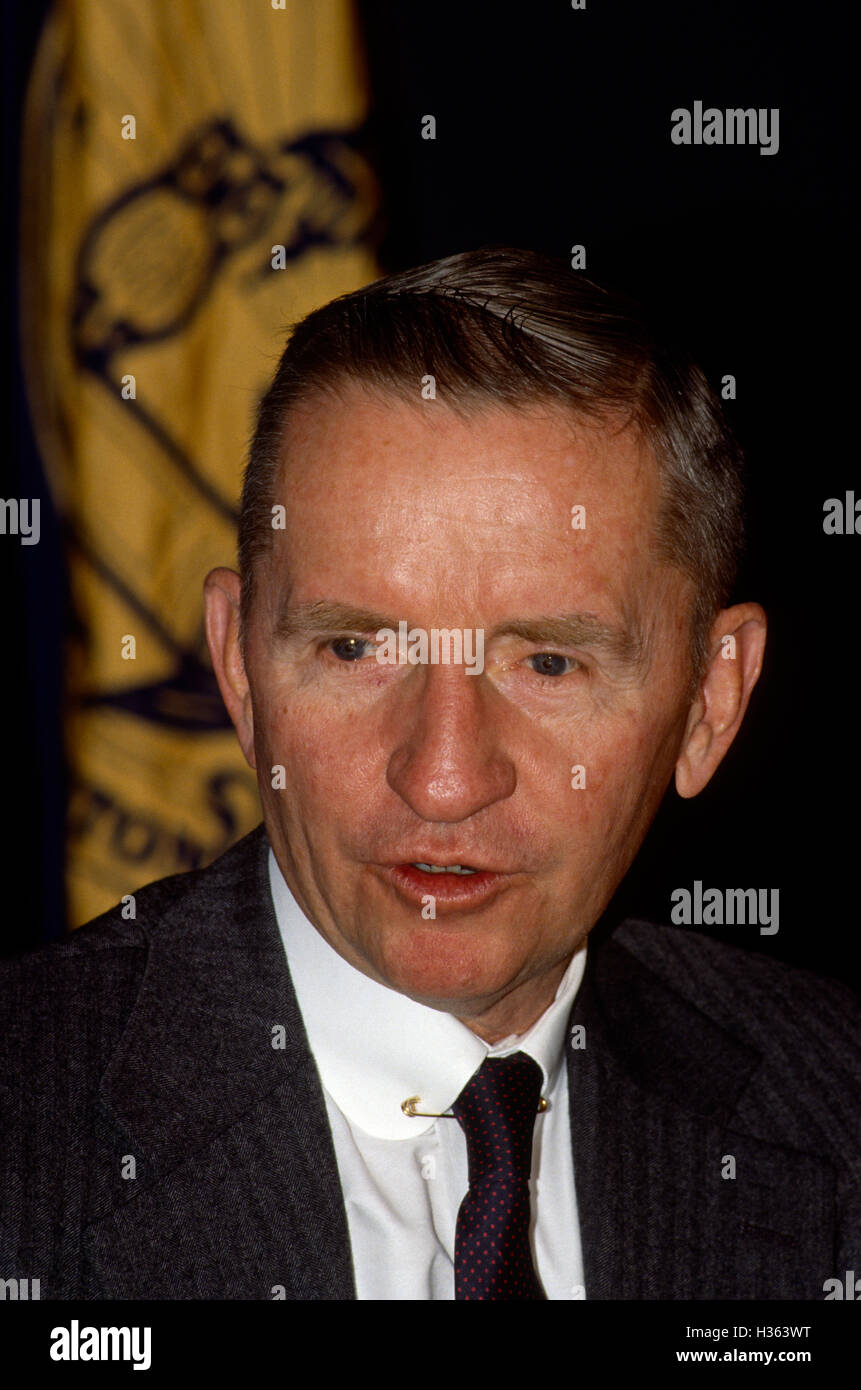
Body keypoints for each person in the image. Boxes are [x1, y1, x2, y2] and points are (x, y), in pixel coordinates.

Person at [2, 248, 858, 1301]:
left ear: (708, 704)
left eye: (547, 662)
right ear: (236, 662)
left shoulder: (838, 1110)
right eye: (357, 649)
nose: (444, 779)